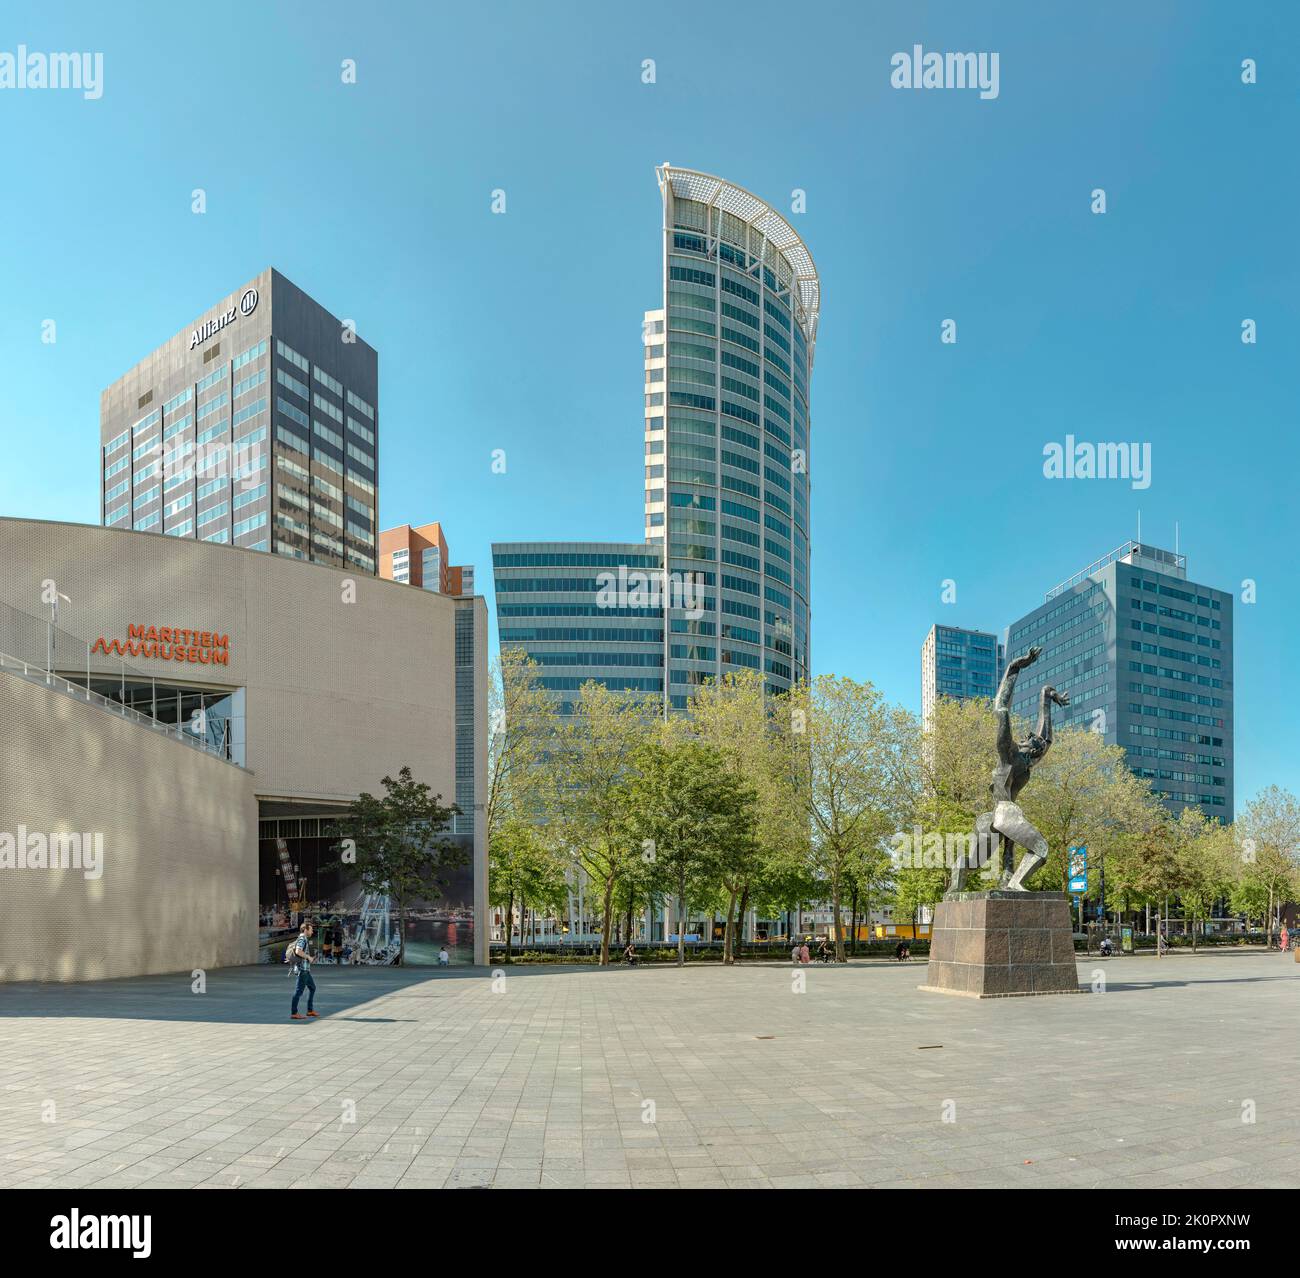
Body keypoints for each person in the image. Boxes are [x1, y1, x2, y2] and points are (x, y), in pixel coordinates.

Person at [290, 921, 319, 1020]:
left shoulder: (303, 938)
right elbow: (298, 951)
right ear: (306, 930)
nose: (312, 931)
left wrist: (309, 958)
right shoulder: (302, 939)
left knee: (312, 988)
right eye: (311, 929)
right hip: (302, 970)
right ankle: (294, 1013)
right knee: (299, 991)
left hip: (305, 969)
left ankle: (310, 1011)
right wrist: (309, 957)